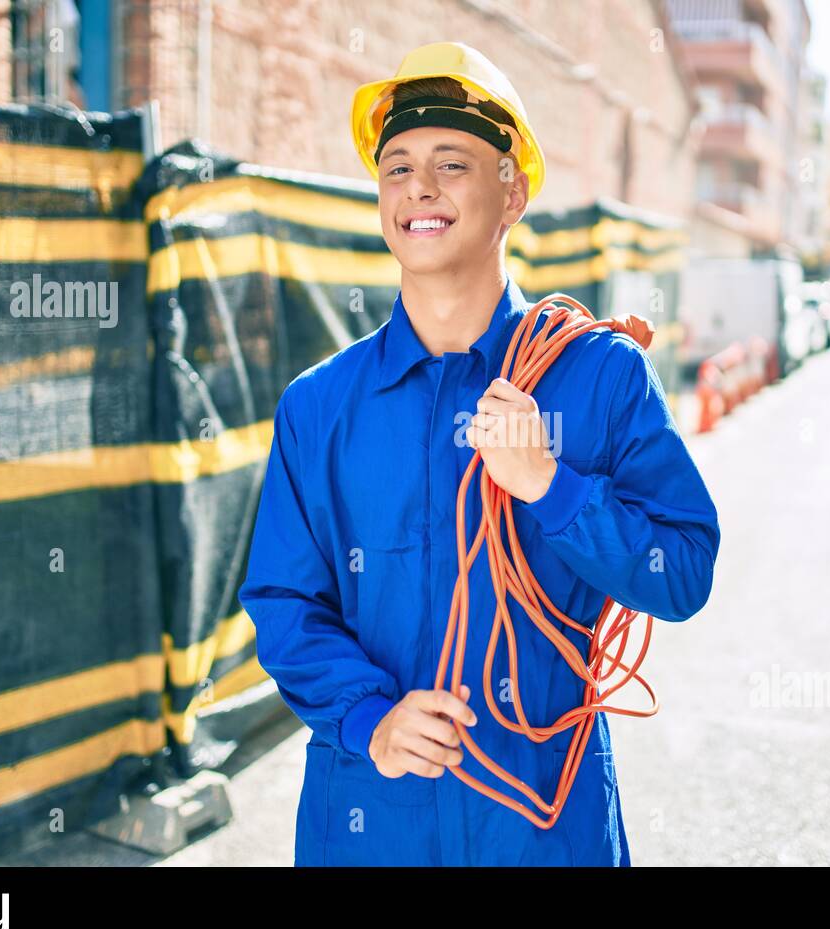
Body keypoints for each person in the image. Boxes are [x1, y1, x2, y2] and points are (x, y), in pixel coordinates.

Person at [238, 41, 720, 866]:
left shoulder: (600, 378)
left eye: (452, 162)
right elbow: (284, 600)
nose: (419, 187)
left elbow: (680, 572)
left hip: (542, 822)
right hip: (371, 817)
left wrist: (549, 487)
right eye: (397, 167)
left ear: (513, 192)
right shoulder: (320, 406)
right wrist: (368, 720)